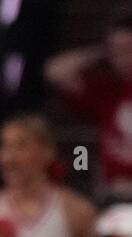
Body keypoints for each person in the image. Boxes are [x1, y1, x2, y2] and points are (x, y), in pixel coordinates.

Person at [44, 10, 132, 197]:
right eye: (117, 52)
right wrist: (102, 52)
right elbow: (55, 71)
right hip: (115, 195)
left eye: (128, 50)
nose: (121, 59)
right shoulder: (108, 92)